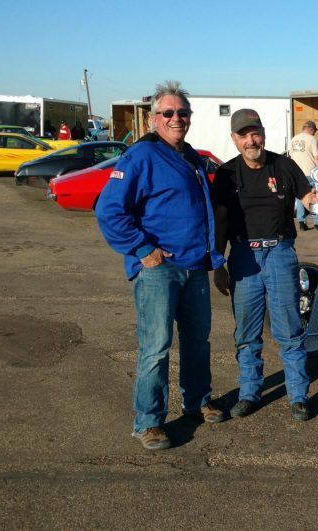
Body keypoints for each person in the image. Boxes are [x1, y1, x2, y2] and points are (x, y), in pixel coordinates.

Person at [94, 81, 227, 450]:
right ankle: (148, 422)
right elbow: (109, 210)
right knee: (155, 347)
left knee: (197, 342)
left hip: (195, 266)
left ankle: (197, 400)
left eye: (182, 112)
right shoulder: (142, 156)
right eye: (167, 113)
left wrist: (214, 258)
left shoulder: (190, 156)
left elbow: (203, 211)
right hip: (160, 270)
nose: (175, 118)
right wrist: (141, 248)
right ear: (154, 119)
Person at [211, 109, 318, 422]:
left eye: (255, 132)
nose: (251, 140)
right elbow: (220, 222)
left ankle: (298, 395)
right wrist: (218, 263)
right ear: (235, 139)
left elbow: (308, 197)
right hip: (243, 256)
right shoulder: (226, 175)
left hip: (279, 253)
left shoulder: (284, 165)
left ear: (263, 132)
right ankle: (249, 393)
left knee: (289, 330)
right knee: (247, 333)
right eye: (244, 135)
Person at [287, 120, 318, 230]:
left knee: (301, 197)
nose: (314, 133)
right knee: (316, 195)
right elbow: (317, 157)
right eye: (314, 131)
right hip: (310, 172)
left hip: (296, 173)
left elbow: (290, 155)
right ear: (311, 129)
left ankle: (301, 223)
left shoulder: (294, 139)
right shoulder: (312, 139)